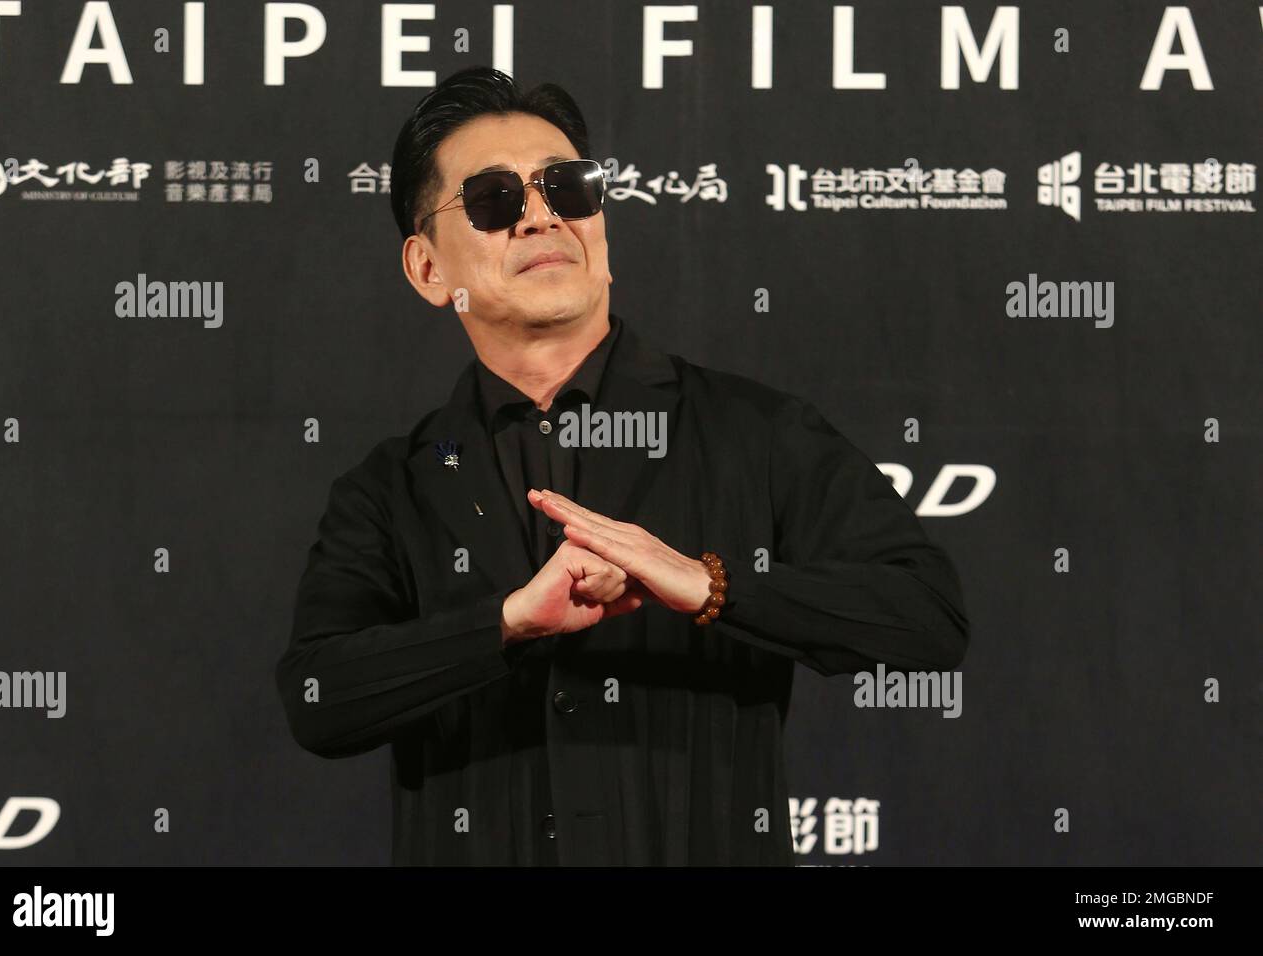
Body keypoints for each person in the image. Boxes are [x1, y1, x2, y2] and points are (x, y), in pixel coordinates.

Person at [275, 66, 970, 866]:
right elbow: (318, 697)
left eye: (567, 188)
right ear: (429, 269)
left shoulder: (756, 434)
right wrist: (506, 624)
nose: (541, 217)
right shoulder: (391, 488)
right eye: (494, 199)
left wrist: (711, 586)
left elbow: (926, 614)